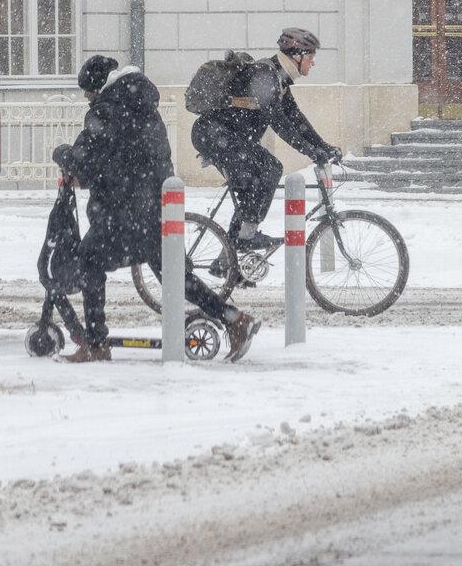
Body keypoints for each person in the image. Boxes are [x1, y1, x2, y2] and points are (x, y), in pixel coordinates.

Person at [52, 55, 259, 363]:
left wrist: (61, 153)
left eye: (88, 91)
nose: (87, 98)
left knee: (89, 263)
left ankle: (95, 343)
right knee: (173, 275)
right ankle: (234, 318)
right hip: (154, 209)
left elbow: (86, 159)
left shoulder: (108, 111)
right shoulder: (143, 106)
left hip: (121, 214)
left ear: (100, 87)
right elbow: (123, 158)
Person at [190, 27, 342, 253]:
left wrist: (324, 147)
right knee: (269, 169)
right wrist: (311, 152)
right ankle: (246, 238)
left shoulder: (278, 78)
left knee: (254, 182)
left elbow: (297, 120)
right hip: (214, 134)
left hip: (227, 137)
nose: (313, 63)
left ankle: (228, 262)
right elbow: (279, 122)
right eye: (310, 57)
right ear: (296, 55)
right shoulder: (265, 73)